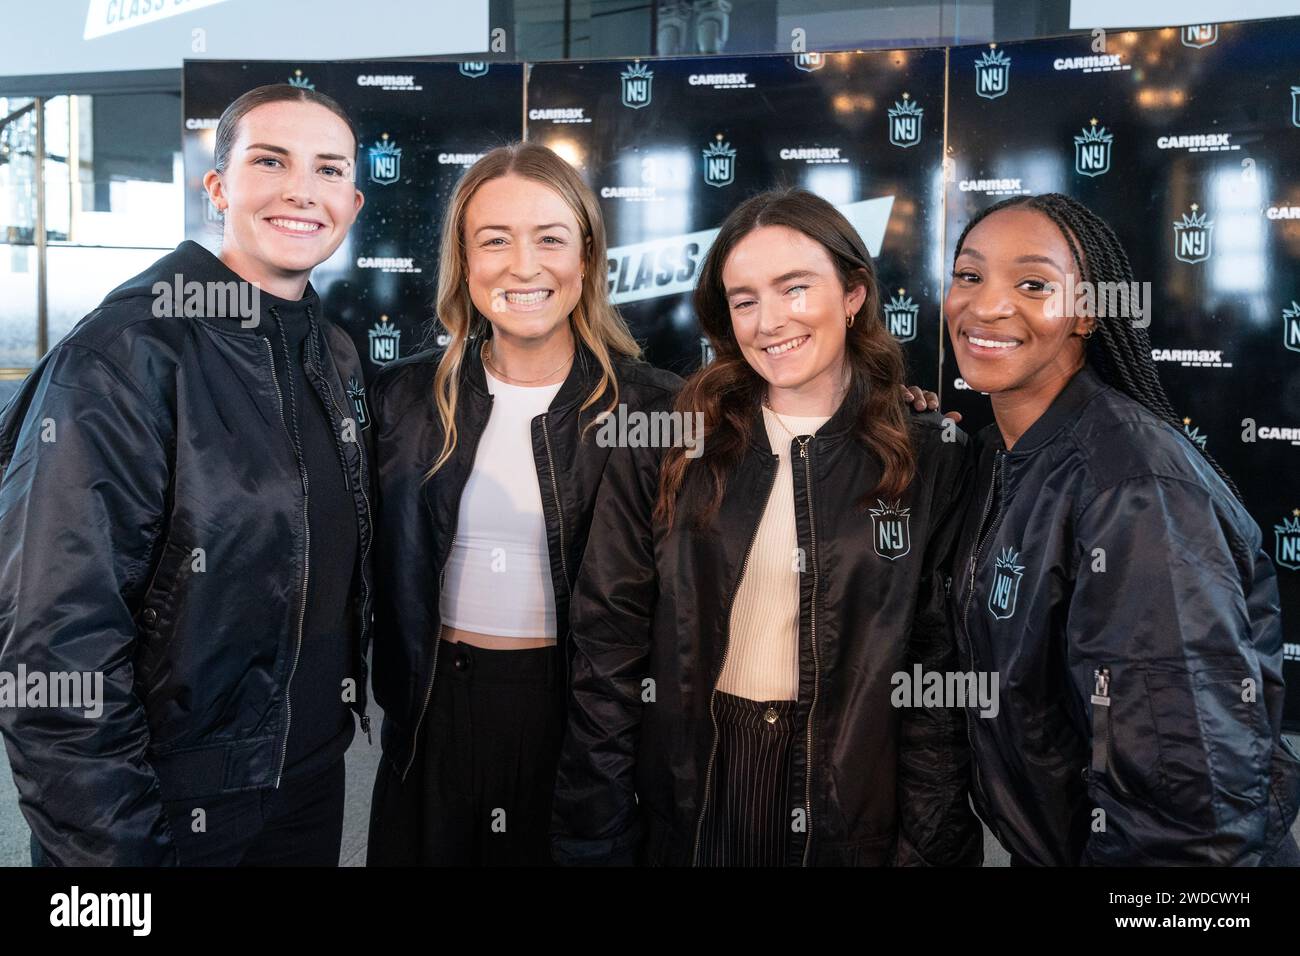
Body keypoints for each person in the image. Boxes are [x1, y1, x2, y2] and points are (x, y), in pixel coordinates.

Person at [552, 187, 982, 866]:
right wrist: (596, 830)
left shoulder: (930, 455)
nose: (769, 320)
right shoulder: (670, 440)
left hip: (850, 795)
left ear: (853, 294)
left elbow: (938, 676)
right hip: (698, 781)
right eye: (744, 299)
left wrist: (928, 846)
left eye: (795, 288)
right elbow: (608, 645)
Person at [0, 83, 373, 866]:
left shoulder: (332, 352)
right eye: (271, 161)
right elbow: (53, 650)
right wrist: (114, 863)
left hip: (307, 787)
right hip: (163, 810)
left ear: (353, 199)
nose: (303, 189)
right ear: (217, 186)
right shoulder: (124, 353)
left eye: (329, 169)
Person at [945, 192, 1300, 865]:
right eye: (969, 276)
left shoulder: (1134, 490)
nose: (985, 305)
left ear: (1087, 312)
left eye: (1032, 284)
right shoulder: (1002, 454)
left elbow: (1193, 812)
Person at [364, 142, 682, 866]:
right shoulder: (404, 398)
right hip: (431, 719)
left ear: (588, 255)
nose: (524, 265)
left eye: (550, 237)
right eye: (495, 240)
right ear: (464, 259)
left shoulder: (656, 409)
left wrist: (903, 411)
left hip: (581, 723)